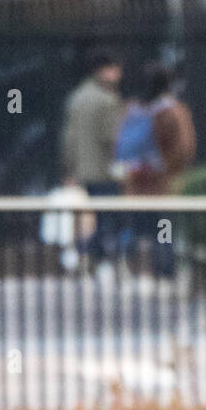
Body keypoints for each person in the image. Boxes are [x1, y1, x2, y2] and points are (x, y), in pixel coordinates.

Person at [114, 62, 197, 275]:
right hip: (163, 184)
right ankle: (164, 269)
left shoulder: (134, 109)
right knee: (164, 228)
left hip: (135, 180)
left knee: (135, 227)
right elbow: (185, 148)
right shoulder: (174, 111)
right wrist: (167, 170)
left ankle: (128, 268)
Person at [61, 51, 124, 266]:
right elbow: (112, 138)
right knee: (108, 217)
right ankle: (105, 259)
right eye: (114, 69)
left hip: (81, 170)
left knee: (88, 217)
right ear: (103, 70)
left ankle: (84, 255)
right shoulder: (108, 99)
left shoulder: (76, 97)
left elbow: (68, 138)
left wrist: (69, 169)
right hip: (105, 171)